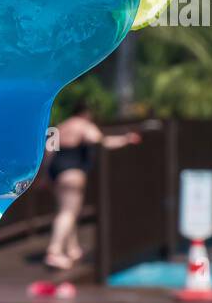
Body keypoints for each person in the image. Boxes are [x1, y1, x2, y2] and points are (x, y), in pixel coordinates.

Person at [44, 101, 142, 271]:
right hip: (72, 171)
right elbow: (102, 141)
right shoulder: (83, 125)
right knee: (68, 212)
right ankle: (54, 251)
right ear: (86, 113)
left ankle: (72, 249)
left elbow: (48, 152)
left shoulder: (59, 127)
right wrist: (125, 139)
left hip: (56, 171)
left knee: (65, 210)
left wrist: (45, 176)